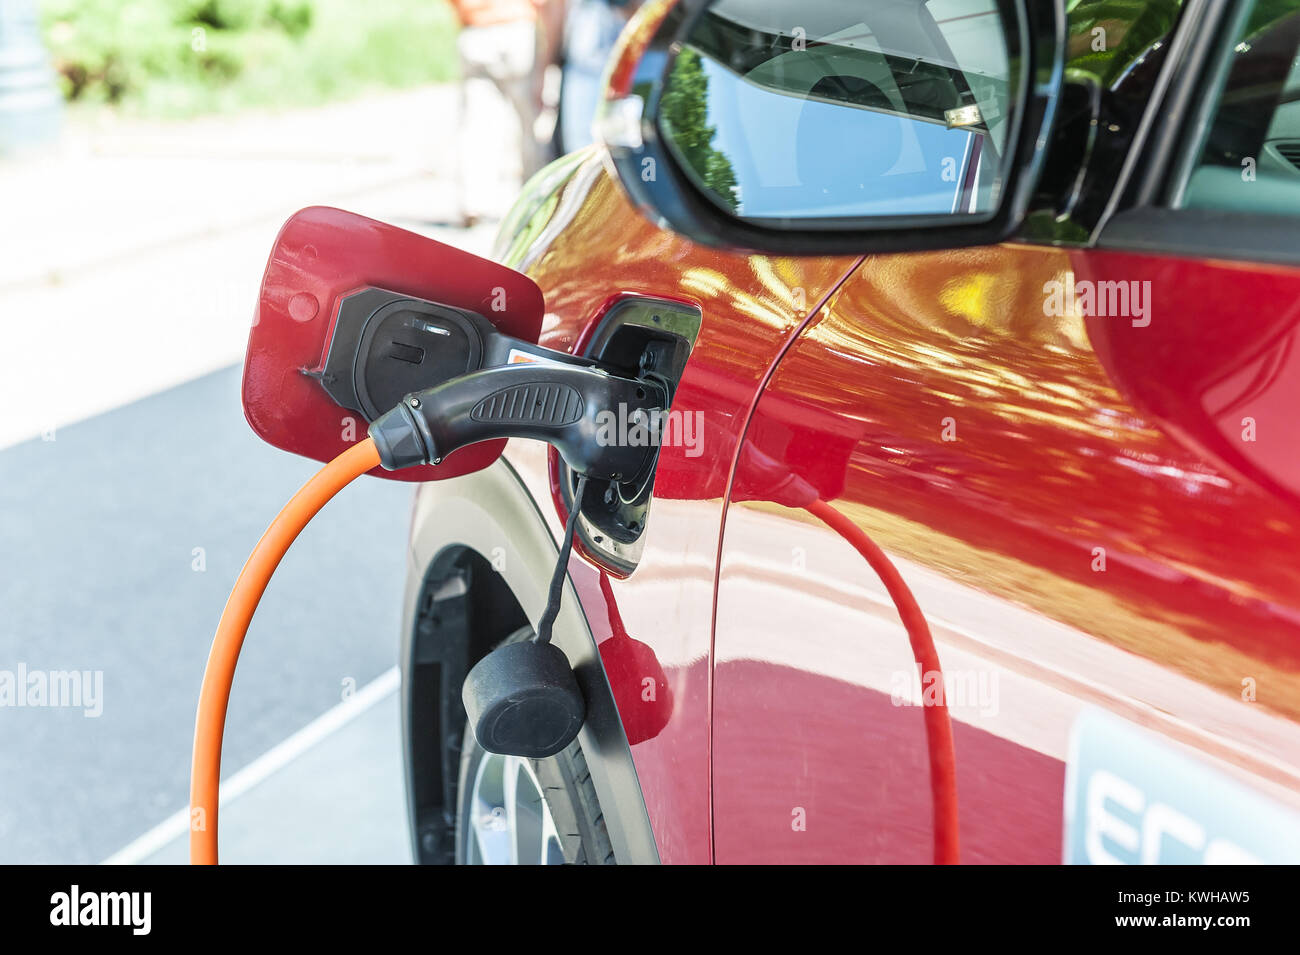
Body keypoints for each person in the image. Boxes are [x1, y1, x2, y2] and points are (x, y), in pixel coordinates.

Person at [451, 0, 565, 224]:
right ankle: (534, 197)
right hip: (517, 30)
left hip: (475, 31)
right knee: (529, 122)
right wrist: (549, 56)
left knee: (477, 121)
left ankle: (474, 199)